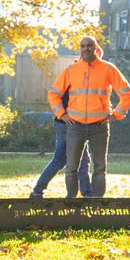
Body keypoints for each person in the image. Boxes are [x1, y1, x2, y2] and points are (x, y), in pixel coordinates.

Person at [48, 37, 130, 198]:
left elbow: (127, 93)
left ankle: (97, 204)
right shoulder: (71, 69)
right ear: (79, 48)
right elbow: (53, 93)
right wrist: (62, 114)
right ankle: (71, 202)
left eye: (89, 46)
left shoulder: (108, 69)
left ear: (96, 48)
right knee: (71, 168)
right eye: (83, 46)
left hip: (99, 127)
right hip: (75, 126)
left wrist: (117, 114)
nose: (86, 49)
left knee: (100, 168)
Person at [30, 68, 94, 197]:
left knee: (60, 160)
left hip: (63, 123)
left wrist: (62, 115)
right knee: (81, 160)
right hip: (72, 125)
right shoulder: (79, 79)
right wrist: (64, 115)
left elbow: (55, 95)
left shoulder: (69, 75)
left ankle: (37, 191)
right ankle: (87, 195)